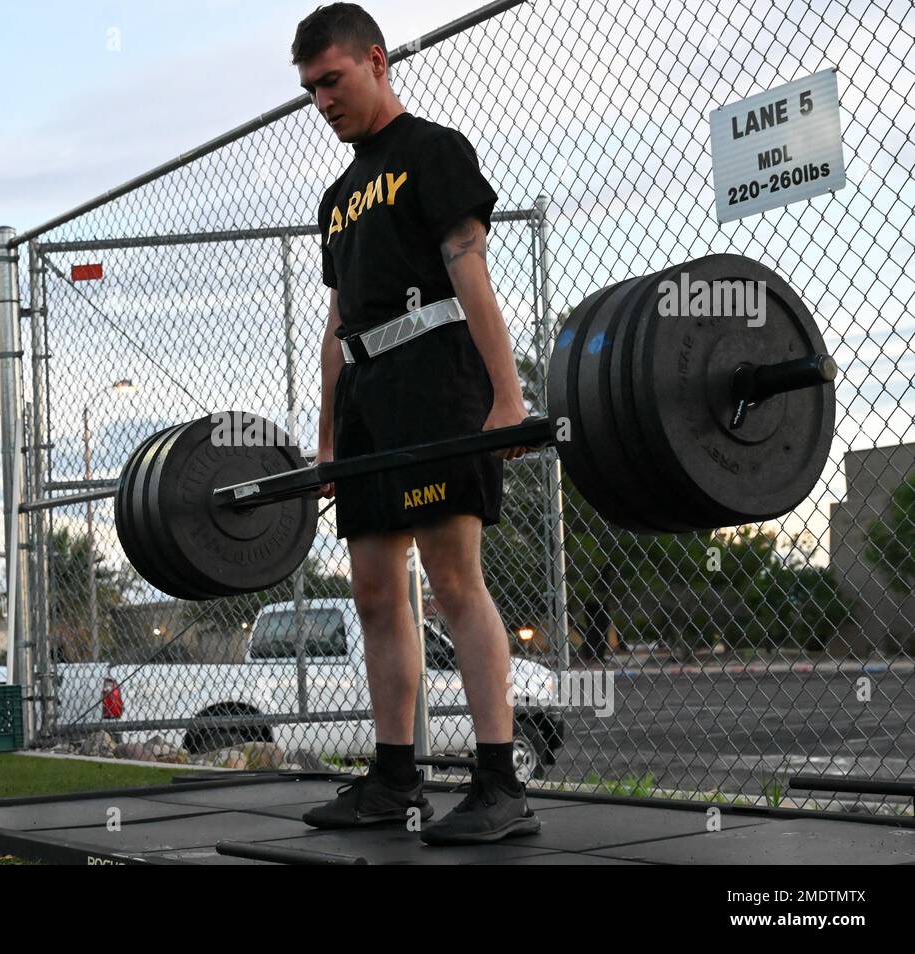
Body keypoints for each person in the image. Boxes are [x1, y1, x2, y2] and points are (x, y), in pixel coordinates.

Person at [294, 4, 540, 844]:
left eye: (332, 80)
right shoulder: (337, 197)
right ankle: (394, 780)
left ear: (375, 59)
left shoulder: (435, 151)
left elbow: (470, 270)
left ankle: (500, 784)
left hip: (437, 380)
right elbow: (336, 324)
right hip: (366, 398)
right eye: (309, 90)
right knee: (370, 589)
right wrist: (327, 438)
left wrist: (506, 397)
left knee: (452, 580)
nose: (322, 100)